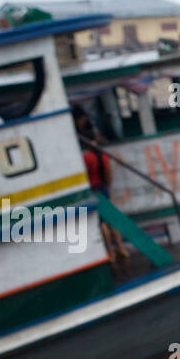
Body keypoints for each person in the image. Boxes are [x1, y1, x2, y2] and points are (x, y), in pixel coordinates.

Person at [73, 108, 132, 267]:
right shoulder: (104, 157)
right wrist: (108, 189)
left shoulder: (86, 158)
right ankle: (121, 248)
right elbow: (109, 175)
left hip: (93, 190)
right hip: (104, 188)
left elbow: (84, 175)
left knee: (102, 223)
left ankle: (110, 252)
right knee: (112, 220)